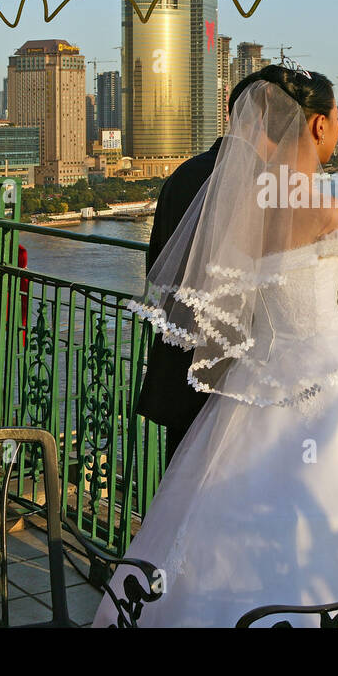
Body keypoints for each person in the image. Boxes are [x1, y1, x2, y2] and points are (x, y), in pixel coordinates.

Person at [92, 70, 338, 627]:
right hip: (331, 379)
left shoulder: (245, 205)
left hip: (254, 377)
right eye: (336, 124)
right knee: (328, 509)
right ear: (317, 125)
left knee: (217, 510)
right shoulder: (329, 206)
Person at [136, 70, 265, 467]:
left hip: (181, 364)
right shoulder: (267, 181)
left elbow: (157, 263)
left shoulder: (183, 174)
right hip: (236, 370)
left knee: (182, 482)